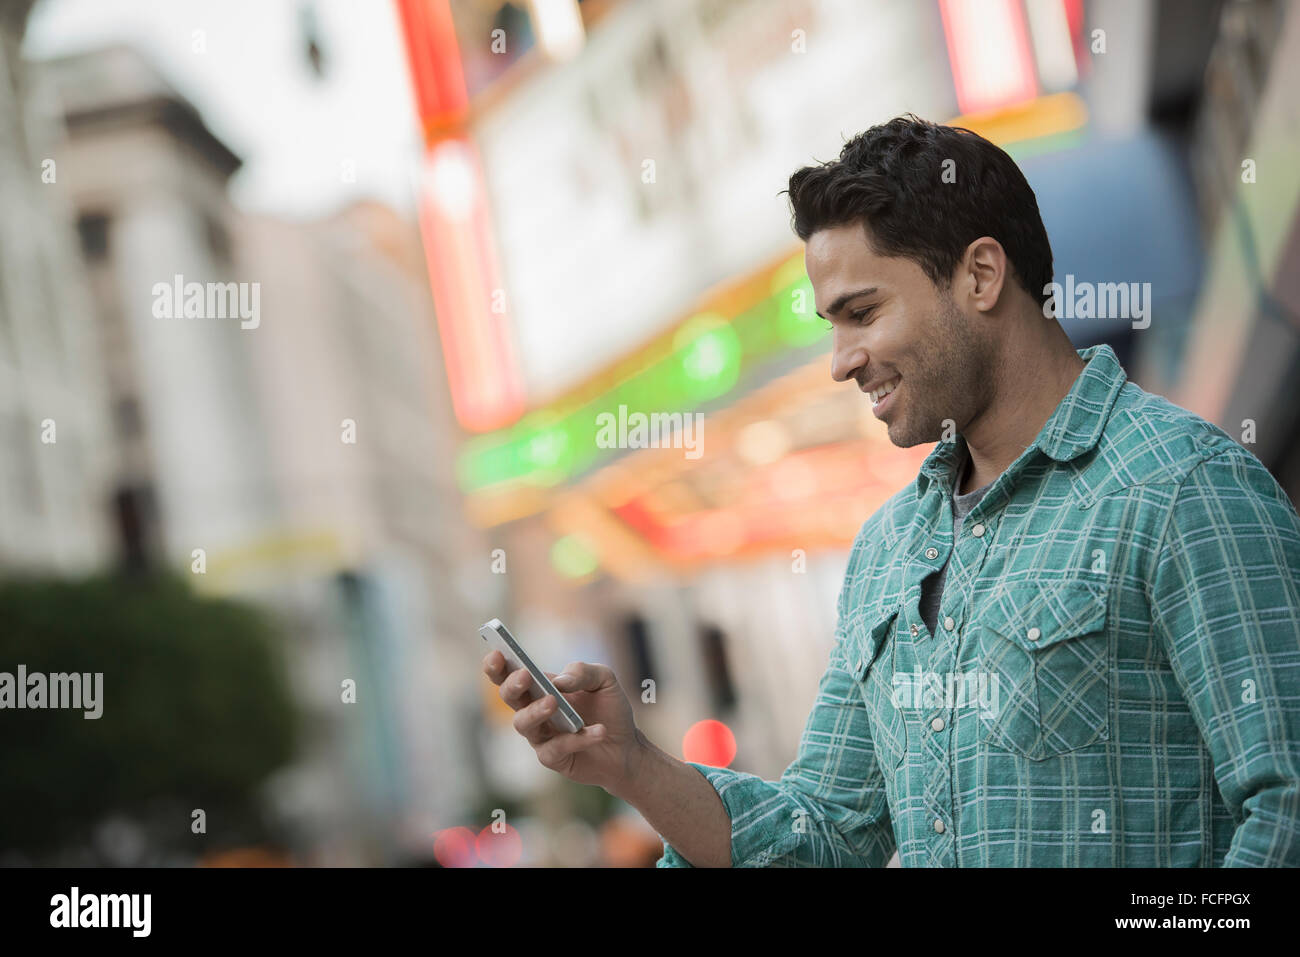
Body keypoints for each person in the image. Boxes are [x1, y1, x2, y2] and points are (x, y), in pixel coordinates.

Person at [482, 115, 1300, 867]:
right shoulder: (888, 549)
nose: (840, 360)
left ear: (981, 274)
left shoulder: (1180, 485)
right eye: (831, 325)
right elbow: (826, 831)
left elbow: (1285, 812)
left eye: (862, 312)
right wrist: (633, 766)